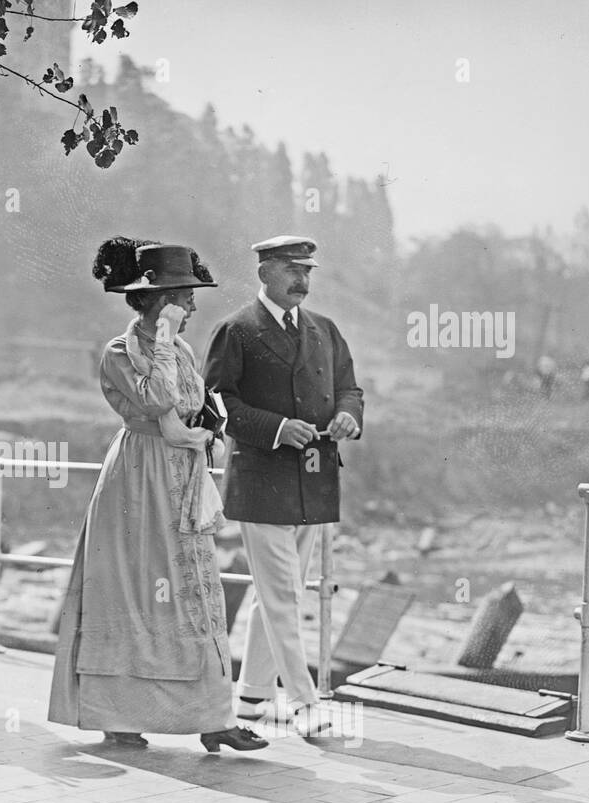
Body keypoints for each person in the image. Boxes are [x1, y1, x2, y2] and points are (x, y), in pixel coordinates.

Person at [48, 237, 268, 754]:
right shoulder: (121, 351)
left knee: (195, 591)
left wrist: (208, 425)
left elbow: (189, 403)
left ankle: (215, 718)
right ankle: (119, 716)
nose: (192, 307)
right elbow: (158, 398)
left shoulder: (183, 349)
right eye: (184, 297)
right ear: (158, 299)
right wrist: (165, 343)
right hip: (138, 481)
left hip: (181, 477)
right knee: (134, 591)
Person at [202, 236, 364, 738]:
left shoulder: (325, 330)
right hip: (261, 481)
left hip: (313, 477)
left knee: (280, 593)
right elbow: (217, 402)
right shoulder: (237, 330)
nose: (302, 280)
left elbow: (350, 389)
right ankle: (304, 703)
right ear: (265, 273)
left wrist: (345, 417)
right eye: (292, 270)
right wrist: (275, 428)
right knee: (283, 598)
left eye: (307, 271)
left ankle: (251, 698)